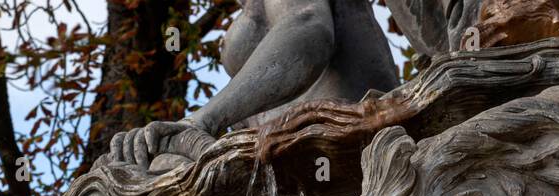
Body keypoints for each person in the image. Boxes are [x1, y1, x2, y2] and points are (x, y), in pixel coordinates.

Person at [110, 0, 399, 169]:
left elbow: (308, 27)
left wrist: (201, 121)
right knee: (136, 170)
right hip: (283, 162)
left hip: (347, 151)